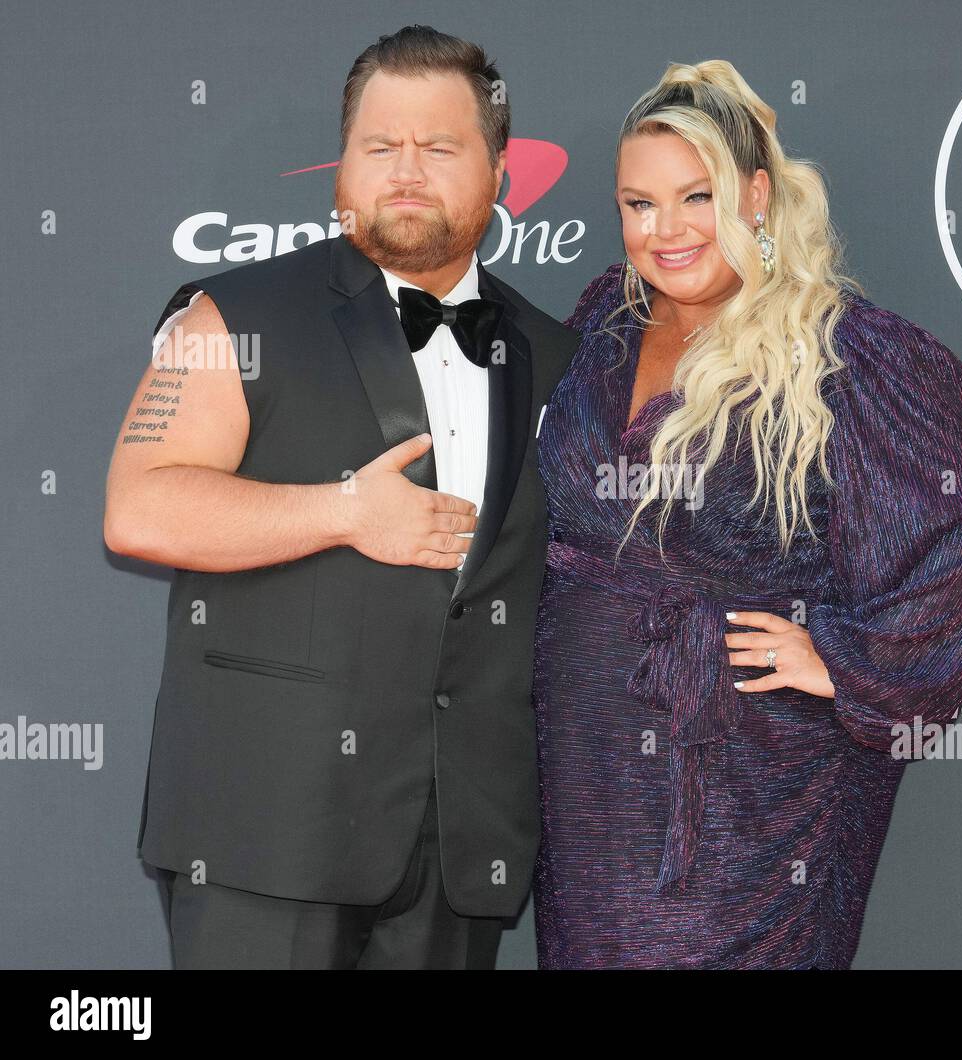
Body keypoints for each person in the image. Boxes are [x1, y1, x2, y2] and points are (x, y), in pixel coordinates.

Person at [530, 60, 962, 968]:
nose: (665, 230)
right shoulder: (606, 316)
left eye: (697, 196)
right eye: (638, 204)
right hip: (591, 764)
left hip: (753, 779)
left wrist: (841, 658)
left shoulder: (848, 354)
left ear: (756, 195)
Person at [104, 25, 578, 968]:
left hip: (459, 843)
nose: (406, 170)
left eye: (440, 147)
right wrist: (342, 510)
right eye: (378, 146)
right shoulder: (228, 317)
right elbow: (138, 508)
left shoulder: (552, 351)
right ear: (340, 172)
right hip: (265, 828)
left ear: (497, 176)